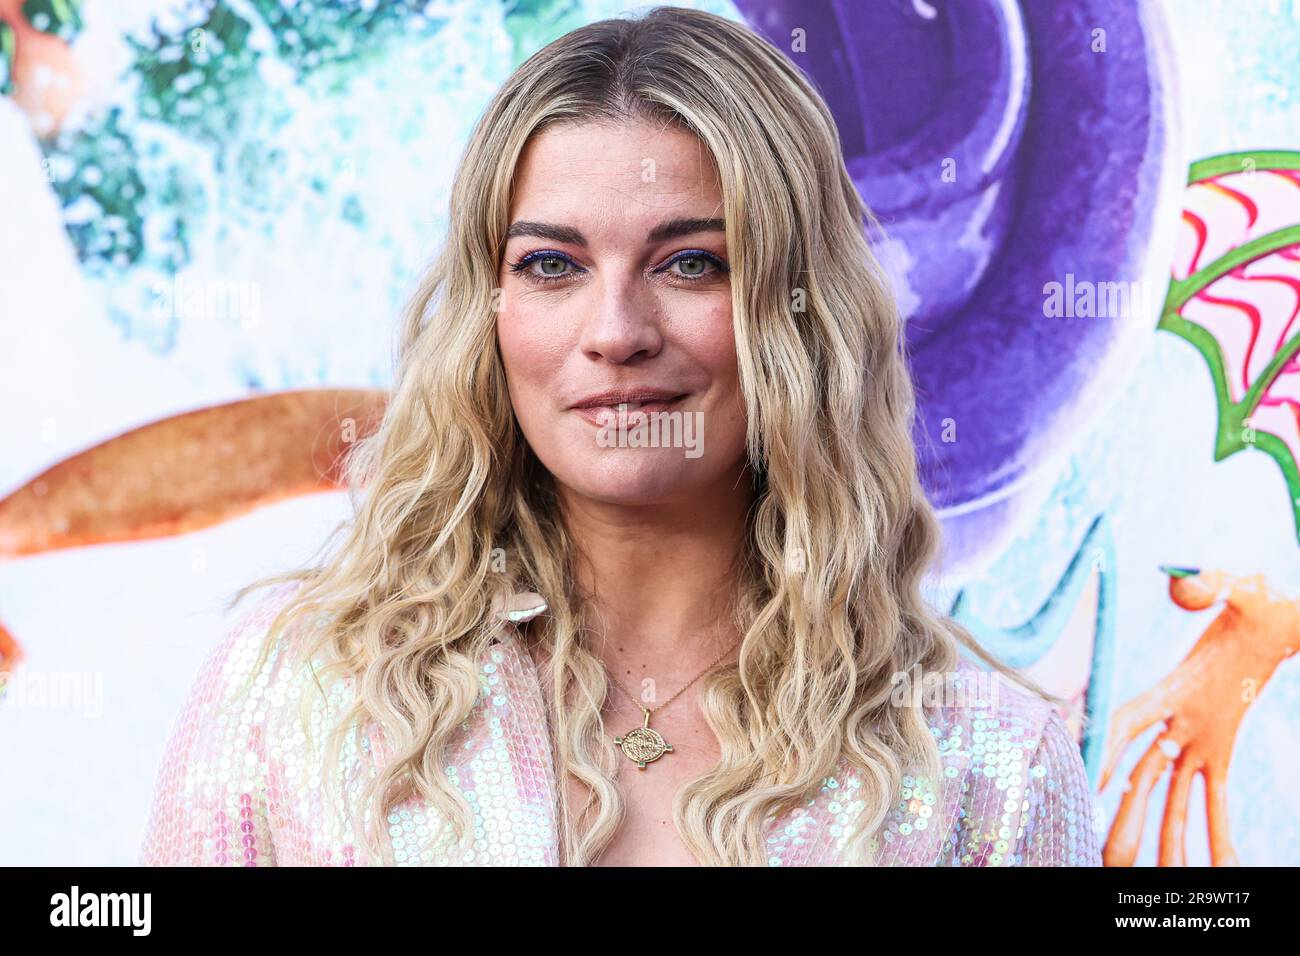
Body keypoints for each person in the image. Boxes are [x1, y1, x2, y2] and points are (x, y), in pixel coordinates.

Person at [139, 5, 1101, 867]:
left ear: (800, 309)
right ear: (492, 309)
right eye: (553, 263)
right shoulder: (298, 696)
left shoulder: (989, 764)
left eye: (691, 263)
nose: (616, 331)